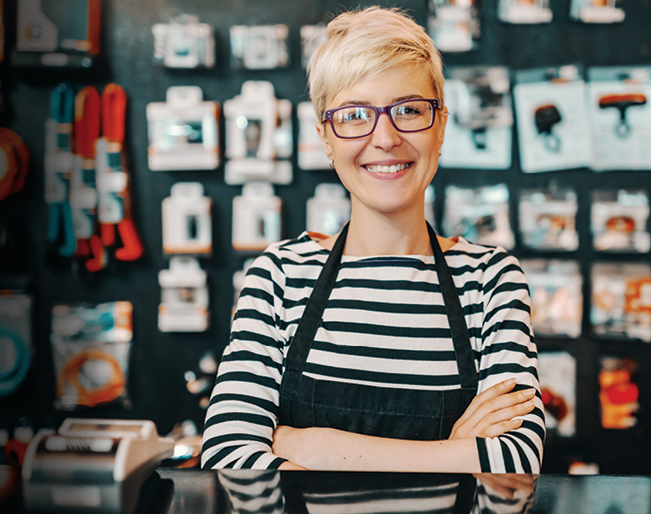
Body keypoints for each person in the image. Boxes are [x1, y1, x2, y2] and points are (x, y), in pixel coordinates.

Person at [200, 6, 543, 473]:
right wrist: (453, 454)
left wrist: (311, 447)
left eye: (409, 110)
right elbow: (228, 456)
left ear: (441, 126)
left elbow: (515, 461)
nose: (385, 138)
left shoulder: (489, 280)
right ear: (326, 138)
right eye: (355, 115)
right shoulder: (280, 276)